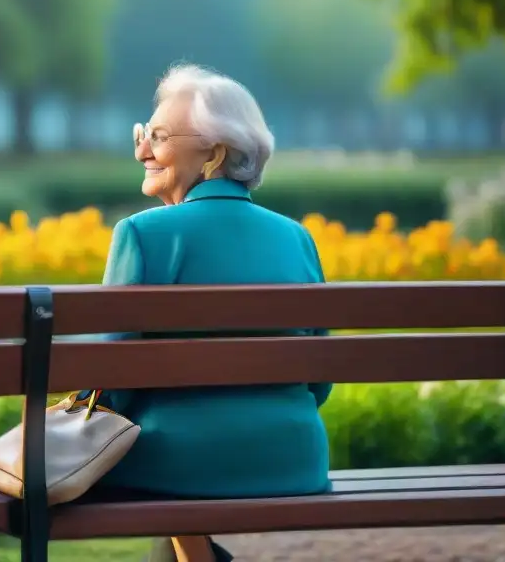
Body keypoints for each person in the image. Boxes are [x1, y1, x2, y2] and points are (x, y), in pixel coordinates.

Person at [95, 65, 331, 562]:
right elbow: (319, 382)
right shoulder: (298, 239)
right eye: (142, 134)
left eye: (156, 137)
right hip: (295, 458)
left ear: (215, 153)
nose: (141, 151)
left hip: (176, 464)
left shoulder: (142, 235)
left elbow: (111, 382)